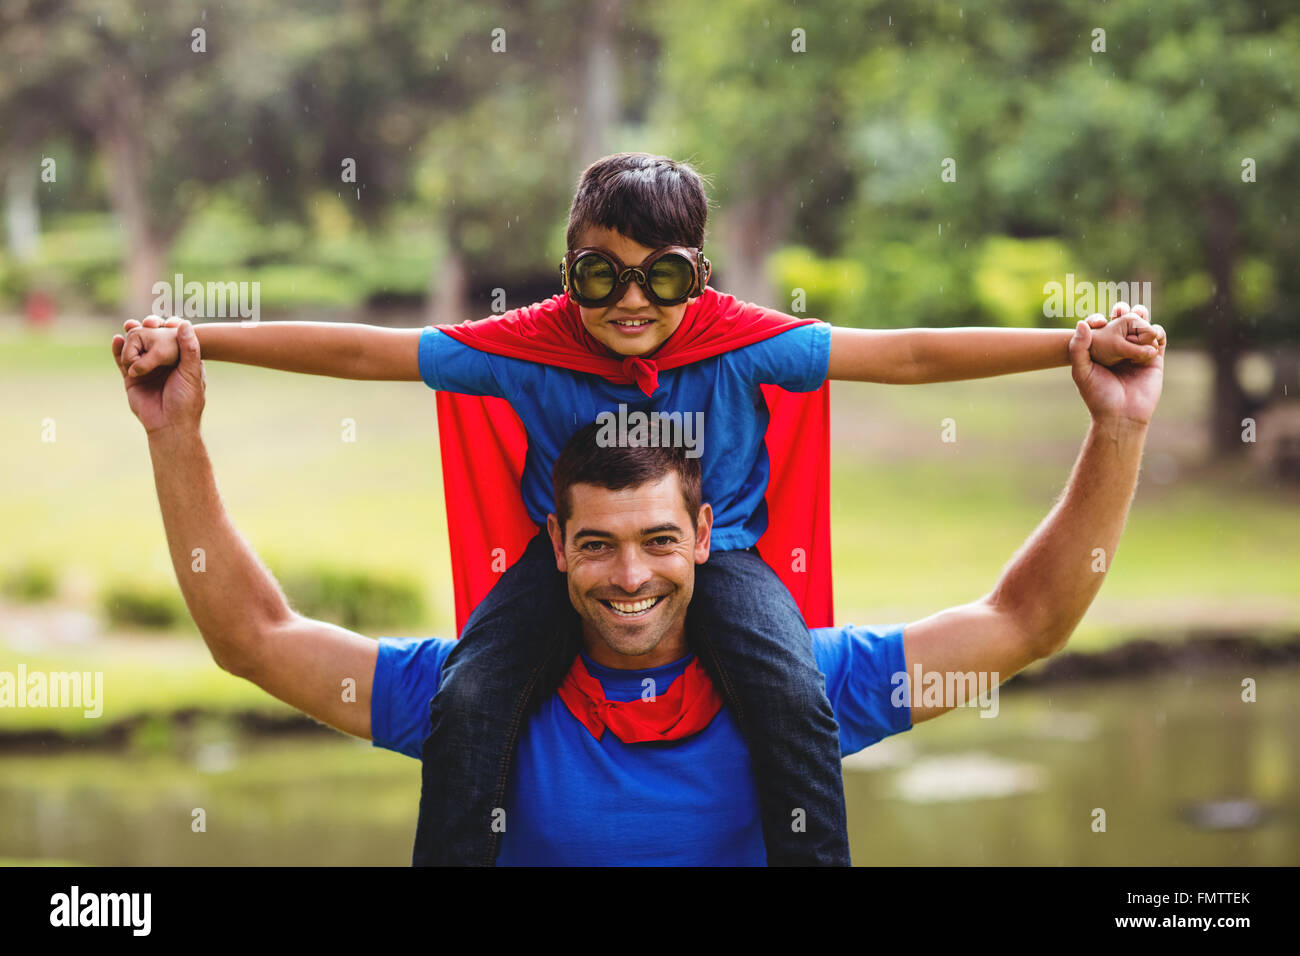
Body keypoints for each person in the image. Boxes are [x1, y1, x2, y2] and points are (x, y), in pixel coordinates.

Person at [114, 152, 1165, 865]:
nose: (628, 301)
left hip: (745, 567)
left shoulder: (743, 343)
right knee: (474, 700)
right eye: (600, 276)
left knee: (790, 692)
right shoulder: (526, 347)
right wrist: (200, 365)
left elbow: (911, 362)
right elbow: (358, 366)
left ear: (696, 277)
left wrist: (1084, 368)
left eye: (658, 278)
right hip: (538, 587)